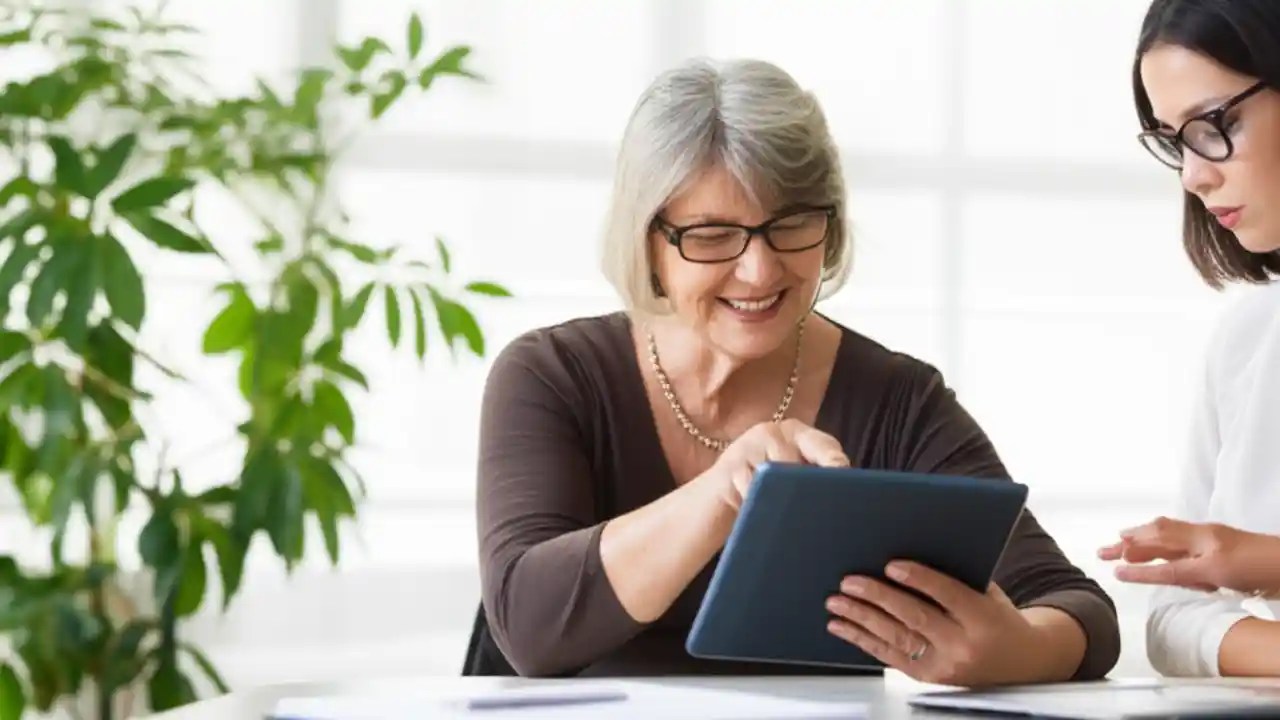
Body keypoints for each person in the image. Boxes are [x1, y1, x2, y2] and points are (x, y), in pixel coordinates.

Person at [476, 57, 1119, 684]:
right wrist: (727, 488)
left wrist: (1021, 653)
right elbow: (529, 626)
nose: (759, 271)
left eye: (791, 225)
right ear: (650, 240)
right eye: (711, 235)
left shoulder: (896, 400)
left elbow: (1078, 608)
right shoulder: (551, 377)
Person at [1097, 0, 1280, 678]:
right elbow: (1173, 622)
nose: (1193, 174)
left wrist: (1261, 562)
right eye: (1176, 139)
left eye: (1216, 124)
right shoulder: (1249, 338)